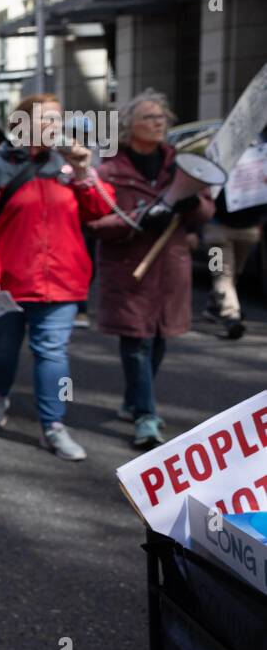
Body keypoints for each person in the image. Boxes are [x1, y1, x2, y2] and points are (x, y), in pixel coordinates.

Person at [0, 93, 116, 461]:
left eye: (58, 119)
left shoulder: (67, 166)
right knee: (2, 351)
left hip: (62, 282)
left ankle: (54, 426)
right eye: (46, 119)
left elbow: (100, 212)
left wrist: (82, 171)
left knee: (53, 353)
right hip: (8, 286)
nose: (55, 126)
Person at [88, 89, 213, 449]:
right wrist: (140, 220)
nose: (159, 123)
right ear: (129, 127)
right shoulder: (109, 170)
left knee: (157, 340)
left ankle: (133, 400)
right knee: (136, 342)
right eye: (149, 118)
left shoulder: (181, 164)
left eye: (162, 117)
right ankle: (146, 415)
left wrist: (191, 203)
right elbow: (95, 222)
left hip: (169, 272)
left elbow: (204, 212)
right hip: (130, 272)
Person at [202, 130, 267, 340]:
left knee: (231, 274)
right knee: (221, 273)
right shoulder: (217, 162)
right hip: (216, 232)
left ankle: (214, 306)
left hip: (246, 231)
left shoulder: (256, 162)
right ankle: (231, 316)